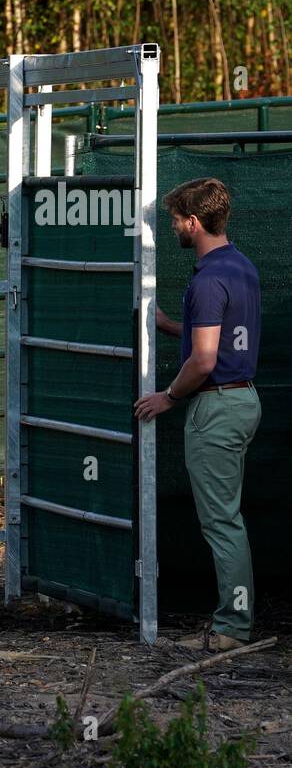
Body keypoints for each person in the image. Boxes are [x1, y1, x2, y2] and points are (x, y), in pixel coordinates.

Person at [133, 177, 261, 652]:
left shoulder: (208, 277)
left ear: (193, 221)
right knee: (229, 518)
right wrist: (170, 325)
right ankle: (235, 621)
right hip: (242, 399)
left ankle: (232, 628)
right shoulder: (240, 265)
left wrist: (168, 396)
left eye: (174, 219)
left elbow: (205, 360)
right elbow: (222, 338)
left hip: (217, 407)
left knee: (223, 522)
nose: (172, 227)